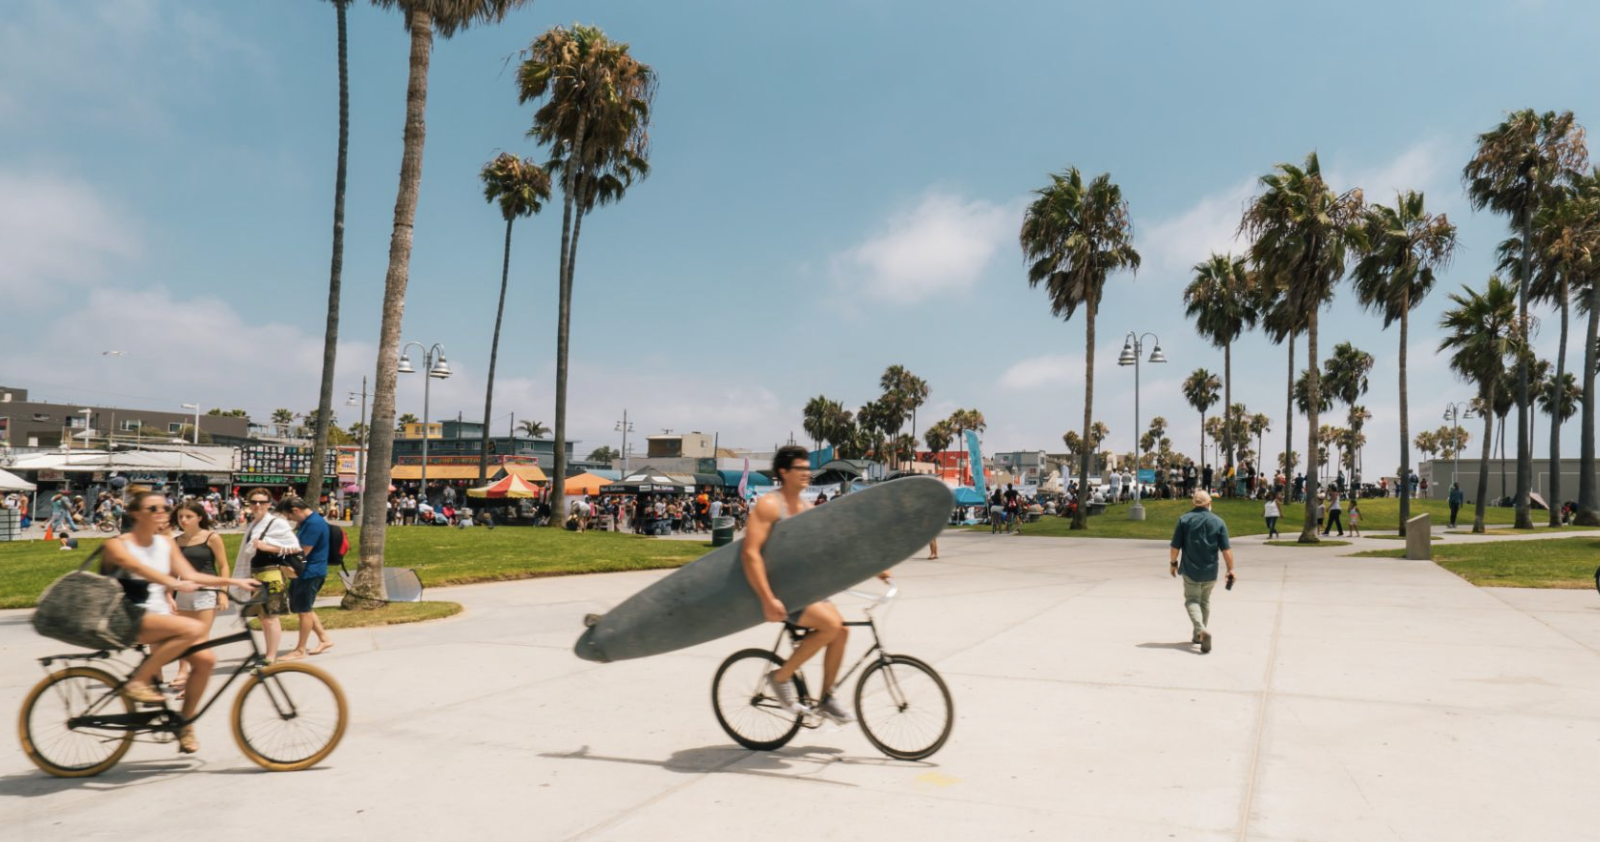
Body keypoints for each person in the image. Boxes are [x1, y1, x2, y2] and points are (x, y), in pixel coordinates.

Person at [101, 490, 258, 753]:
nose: (162, 513)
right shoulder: (117, 544)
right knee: (193, 628)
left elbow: (190, 574)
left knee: (206, 661)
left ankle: (184, 724)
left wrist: (231, 583)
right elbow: (140, 569)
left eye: (164, 507)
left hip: (158, 616)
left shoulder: (166, 544)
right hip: (126, 616)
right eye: (153, 509)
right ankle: (139, 681)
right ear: (136, 514)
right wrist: (173, 583)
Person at [742, 445, 890, 723]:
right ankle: (780, 676)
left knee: (842, 632)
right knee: (831, 626)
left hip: (806, 588)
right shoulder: (770, 505)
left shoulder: (807, 507)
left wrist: (874, 568)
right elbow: (750, 553)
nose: (808, 473)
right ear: (784, 472)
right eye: (801, 469)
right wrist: (767, 598)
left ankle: (826, 698)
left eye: (809, 469)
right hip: (783, 591)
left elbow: (833, 546)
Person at [234, 488, 302, 664]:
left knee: (271, 617)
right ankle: (268, 654)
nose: (258, 505)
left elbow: (295, 547)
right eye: (254, 502)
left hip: (271, 574)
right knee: (263, 618)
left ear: (269, 504)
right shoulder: (254, 523)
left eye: (262, 502)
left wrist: (267, 547)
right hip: (256, 574)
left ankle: (271, 657)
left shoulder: (277, 523)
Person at [171, 500, 230, 692]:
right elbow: (172, 572)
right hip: (184, 591)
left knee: (200, 638)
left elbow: (223, 565)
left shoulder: (211, 538)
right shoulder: (176, 541)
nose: (184, 520)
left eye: (188, 516)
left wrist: (223, 593)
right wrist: (169, 595)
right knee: (182, 635)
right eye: (180, 517)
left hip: (207, 591)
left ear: (200, 517)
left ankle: (193, 680)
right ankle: (182, 671)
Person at [1169, 489, 1235, 654]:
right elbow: (1226, 550)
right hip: (1210, 571)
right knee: (1204, 602)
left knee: (1192, 601)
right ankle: (1198, 636)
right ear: (1209, 504)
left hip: (1191, 571)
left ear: (1193, 503)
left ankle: (1200, 630)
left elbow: (1175, 546)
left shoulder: (1184, 520)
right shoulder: (1218, 522)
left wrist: (1173, 563)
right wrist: (1230, 569)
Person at [277, 497, 333, 660]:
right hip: (306, 571)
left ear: (295, 510)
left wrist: (280, 559)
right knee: (305, 608)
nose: (289, 520)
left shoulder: (313, 524)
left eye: (289, 516)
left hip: (309, 573)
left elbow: (302, 553)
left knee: (304, 611)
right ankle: (324, 639)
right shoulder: (310, 521)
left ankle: (300, 649)